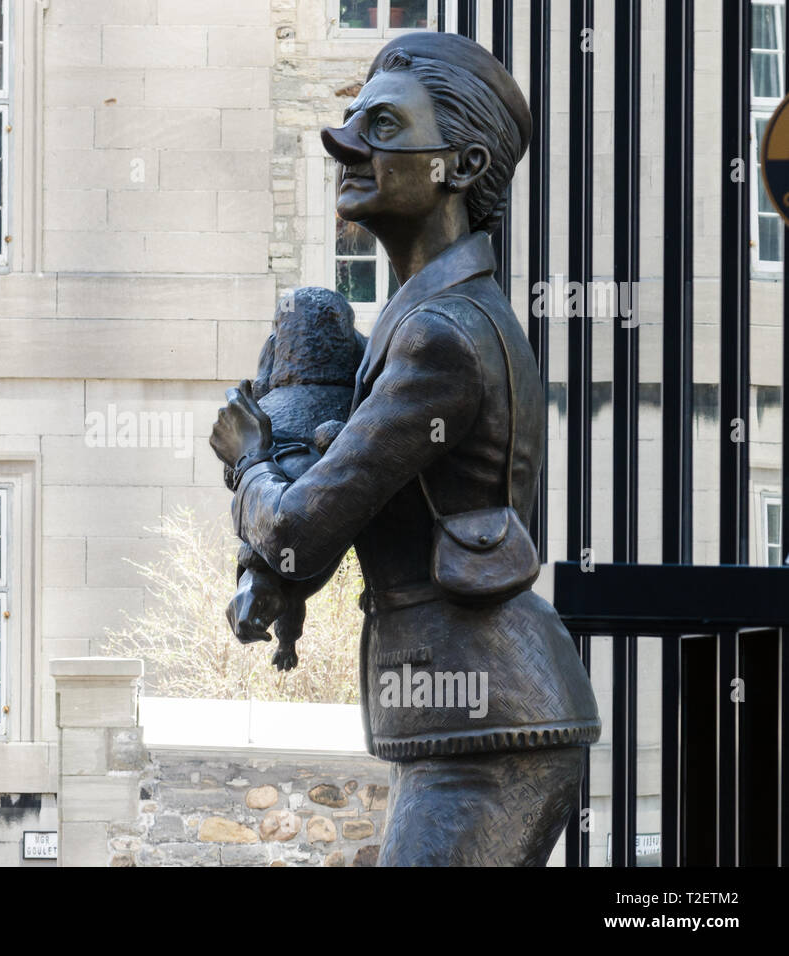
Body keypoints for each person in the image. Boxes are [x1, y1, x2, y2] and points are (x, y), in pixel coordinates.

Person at [210, 32, 600, 866]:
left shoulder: (441, 338)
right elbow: (357, 502)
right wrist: (277, 574)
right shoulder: (418, 322)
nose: (347, 144)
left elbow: (302, 524)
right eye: (353, 121)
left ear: (456, 165)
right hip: (465, 723)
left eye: (382, 127)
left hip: (492, 731)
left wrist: (247, 462)